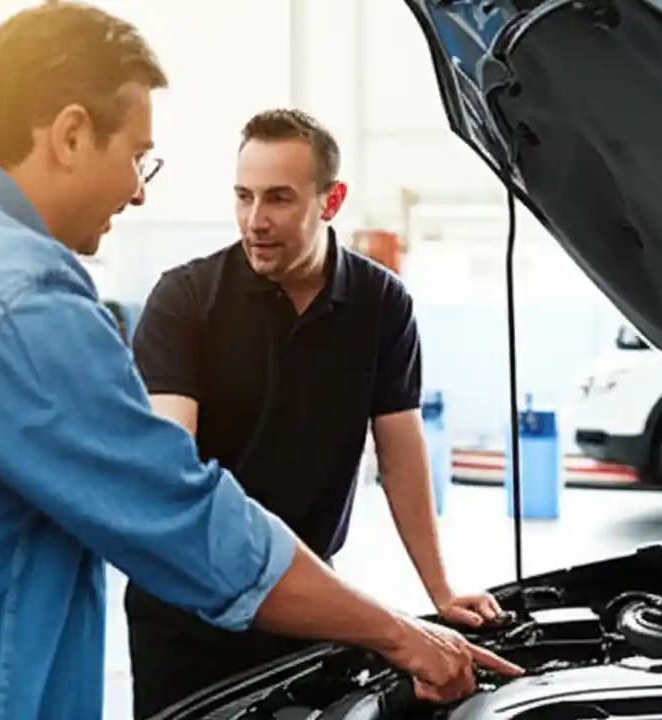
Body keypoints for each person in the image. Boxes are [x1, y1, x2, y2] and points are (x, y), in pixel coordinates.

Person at [0, 5, 521, 718]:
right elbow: (185, 520)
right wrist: (404, 634)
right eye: (137, 157)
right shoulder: (14, 294)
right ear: (72, 135)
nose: (140, 191)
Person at [126, 108, 506, 716]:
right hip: (187, 606)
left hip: (307, 602)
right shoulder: (186, 299)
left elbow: (401, 454)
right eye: (244, 196)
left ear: (331, 202)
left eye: (278, 199)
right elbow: (172, 470)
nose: (256, 221)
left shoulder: (382, 303)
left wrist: (441, 588)